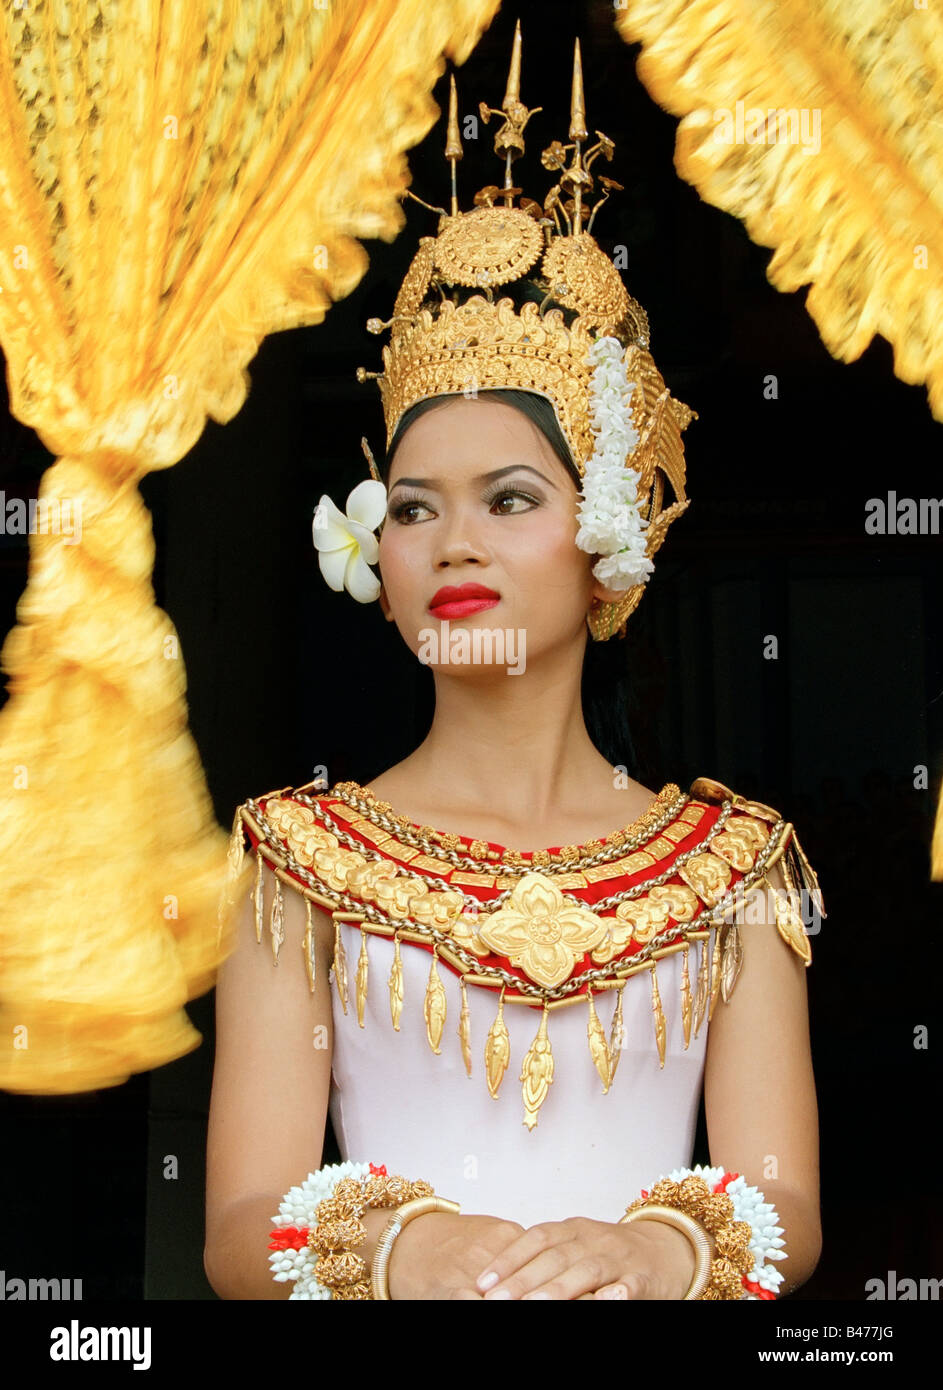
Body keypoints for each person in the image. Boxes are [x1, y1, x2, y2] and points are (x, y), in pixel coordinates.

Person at [203, 31, 824, 1302]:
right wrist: (409, 1242)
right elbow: (236, 1226)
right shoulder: (297, 855)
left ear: (609, 543)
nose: (455, 541)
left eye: (508, 496)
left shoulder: (734, 865)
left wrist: (648, 1250)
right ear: (373, 551)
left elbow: (786, 1202)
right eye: (416, 508)